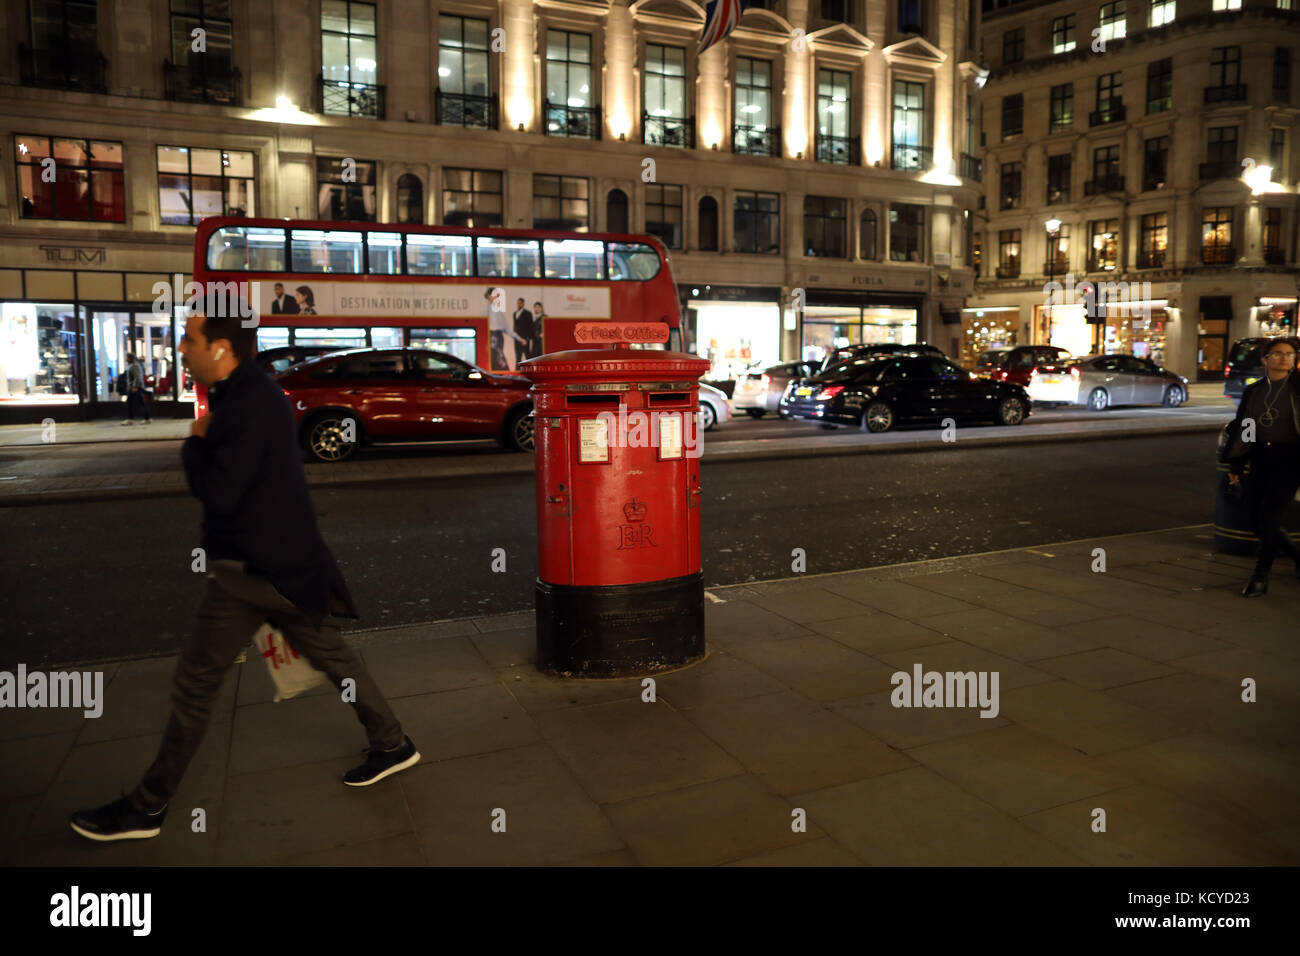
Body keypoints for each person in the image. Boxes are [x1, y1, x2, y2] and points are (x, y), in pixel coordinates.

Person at [69, 306, 418, 842]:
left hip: (253, 573)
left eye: (188, 340)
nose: (181, 349)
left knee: (195, 683)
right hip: (285, 567)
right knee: (334, 657)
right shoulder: (249, 395)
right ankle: (392, 743)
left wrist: (195, 440)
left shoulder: (246, 405)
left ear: (220, 349)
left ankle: (147, 806)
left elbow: (220, 492)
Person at [1222, 335, 1300, 597]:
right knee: (1253, 515)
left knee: (1270, 515)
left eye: (1289, 354)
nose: (1284, 358)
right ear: (1266, 359)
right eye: (1278, 353)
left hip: (1291, 459)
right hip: (1261, 459)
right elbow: (1246, 429)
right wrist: (1236, 463)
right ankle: (1296, 556)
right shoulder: (1254, 391)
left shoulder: (1297, 388)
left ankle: (1260, 575)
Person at [121, 353, 151, 426]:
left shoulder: (134, 365)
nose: (126, 359)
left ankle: (145, 418)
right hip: (134, 387)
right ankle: (132, 419)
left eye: (127, 358)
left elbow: (137, 377)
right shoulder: (133, 365)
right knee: (132, 403)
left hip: (136, 388)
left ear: (130, 358)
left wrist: (135, 387)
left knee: (139, 403)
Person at [512, 298, 534, 367]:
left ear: (523, 304)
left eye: (521, 303)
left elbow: (530, 326)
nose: (519, 304)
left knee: (527, 355)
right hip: (517, 338)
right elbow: (515, 326)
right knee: (518, 356)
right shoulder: (515, 313)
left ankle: (530, 369)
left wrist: (528, 338)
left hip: (525, 338)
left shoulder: (528, 313)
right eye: (518, 303)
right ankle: (517, 370)